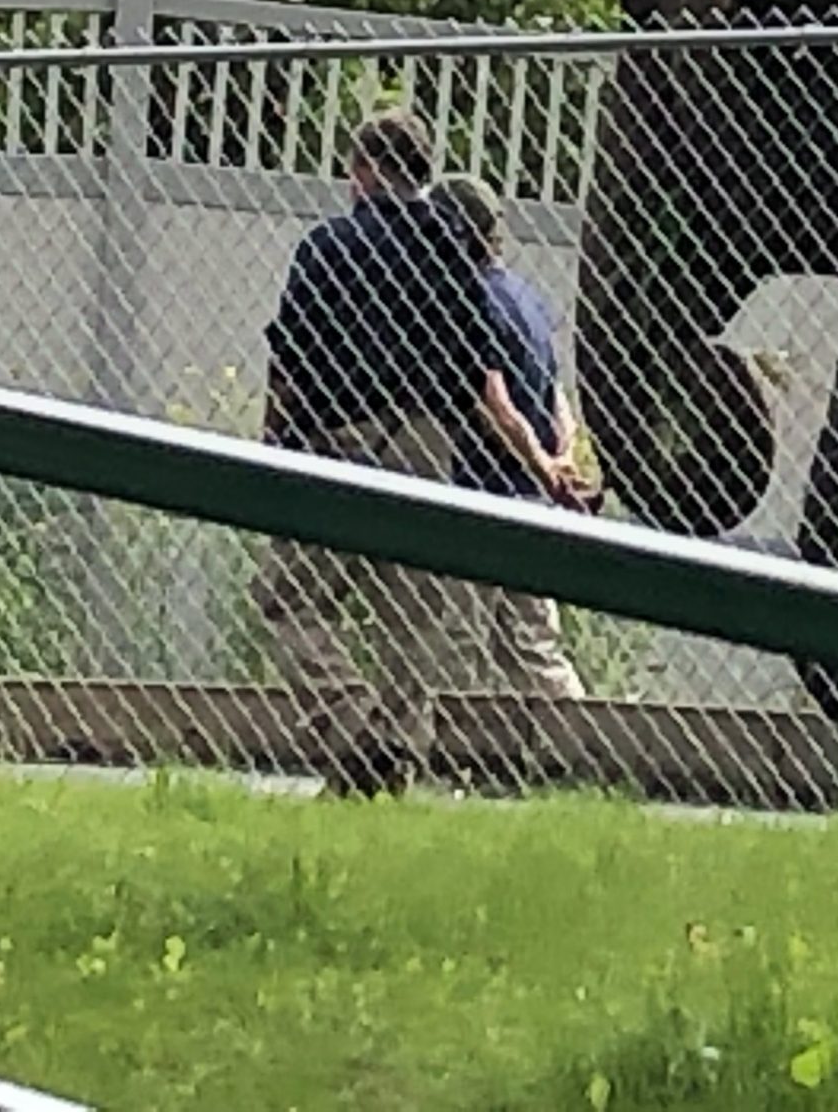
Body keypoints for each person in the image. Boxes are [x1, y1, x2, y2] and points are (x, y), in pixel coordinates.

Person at [250, 108, 572, 798]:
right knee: (413, 620)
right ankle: (396, 755)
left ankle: (350, 725)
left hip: (336, 440)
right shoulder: (453, 255)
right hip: (429, 444)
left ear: (365, 169)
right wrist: (542, 460)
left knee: (288, 596)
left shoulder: (328, 245)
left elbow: (289, 363)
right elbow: (485, 379)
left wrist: (271, 442)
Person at [431, 172, 591, 706]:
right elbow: (555, 395)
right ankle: (582, 744)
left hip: (477, 490)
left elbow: (494, 404)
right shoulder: (526, 298)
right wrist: (560, 457)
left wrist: (543, 461)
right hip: (530, 495)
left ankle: (455, 760)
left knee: (457, 641)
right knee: (535, 645)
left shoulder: (464, 301)